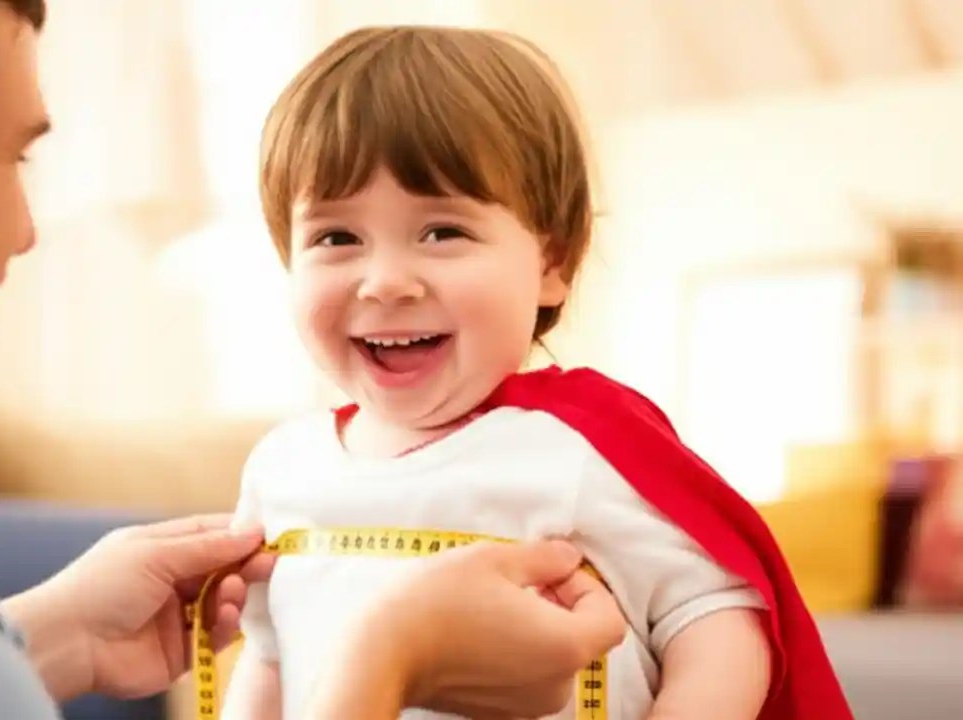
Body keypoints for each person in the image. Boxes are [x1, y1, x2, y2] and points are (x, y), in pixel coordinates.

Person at [0, 3, 627, 719]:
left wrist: (26, 641)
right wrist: (387, 658)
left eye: (441, 232)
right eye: (13, 158)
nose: (23, 234)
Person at [225, 26, 854, 720]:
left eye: (442, 232)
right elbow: (267, 658)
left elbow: (717, 624)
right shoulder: (280, 471)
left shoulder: (585, 451)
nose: (386, 282)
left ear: (552, 263)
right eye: (335, 238)